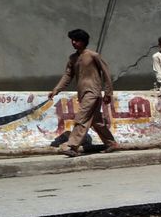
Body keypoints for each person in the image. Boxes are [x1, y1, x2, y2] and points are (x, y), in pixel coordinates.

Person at [47, 28, 116, 156]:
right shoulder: (73, 58)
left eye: (77, 40)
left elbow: (106, 74)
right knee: (96, 121)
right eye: (72, 40)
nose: (73, 42)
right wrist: (56, 90)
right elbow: (67, 76)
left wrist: (108, 92)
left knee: (81, 118)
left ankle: (72, 146)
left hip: (93, 92)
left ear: (84, 42)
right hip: (82, 94)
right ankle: (111, 143)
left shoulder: (93, 55)